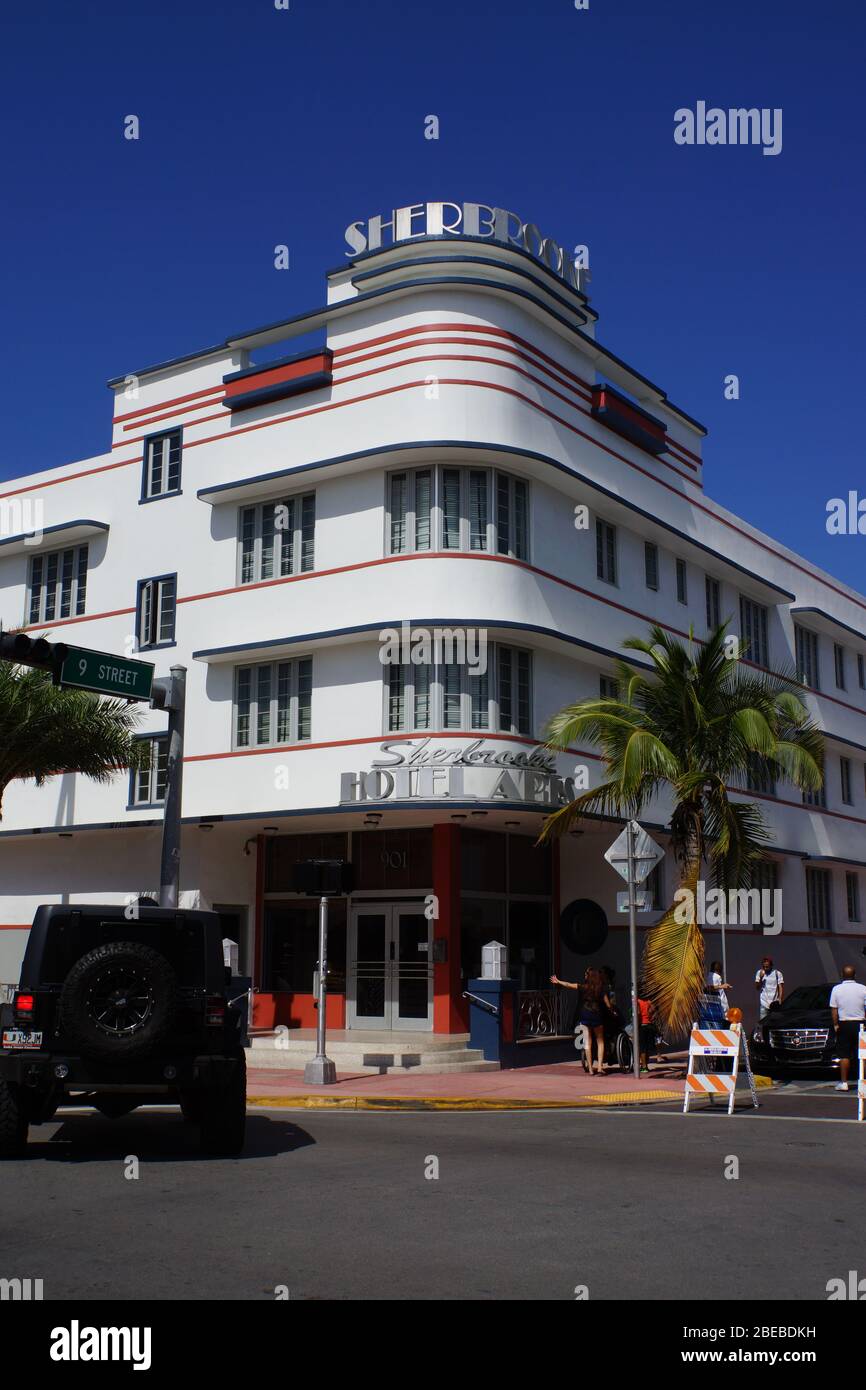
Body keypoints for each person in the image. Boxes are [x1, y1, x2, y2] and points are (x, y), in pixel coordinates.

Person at [551, 967, 613, 1075]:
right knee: (600, 1041)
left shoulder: (583, 987)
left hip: (584, 1014)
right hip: (596, 1015)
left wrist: (558, 981)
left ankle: (590, 1069)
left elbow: (569, 985)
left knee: (587, 1042)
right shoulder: (601, 989)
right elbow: (608, 1005)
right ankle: (599, 1067)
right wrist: (612, 1010)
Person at [829, 965, 866, 1092]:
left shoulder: (836, 989)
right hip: (860, 1024)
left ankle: (844, 1082)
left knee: (844, 1054)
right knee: (861, 1054)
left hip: (844, 1023)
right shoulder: (863, 989)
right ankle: (862, 1080)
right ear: (855, 975)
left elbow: (834, 1009)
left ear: (842, 975)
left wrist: (835, 1024)